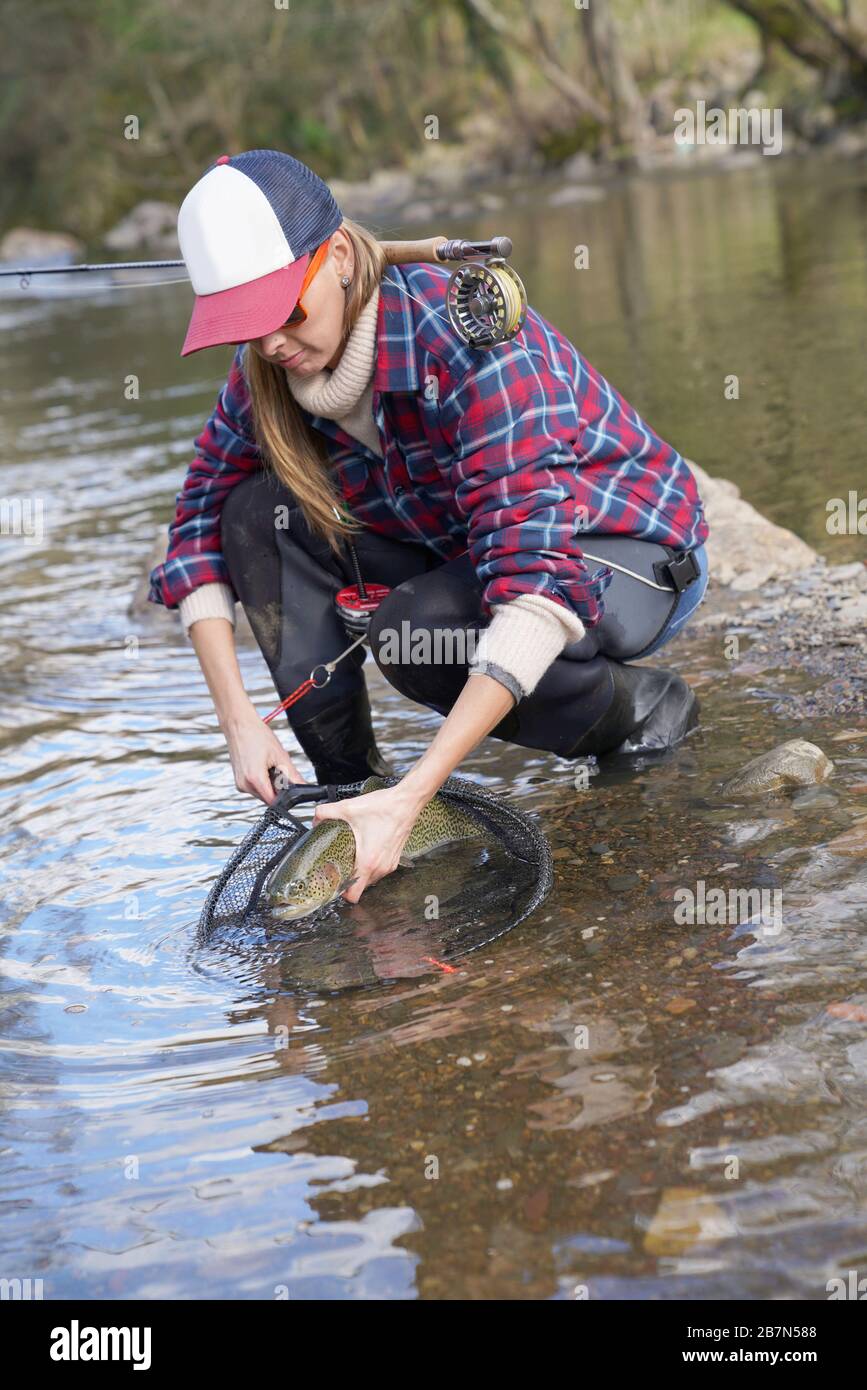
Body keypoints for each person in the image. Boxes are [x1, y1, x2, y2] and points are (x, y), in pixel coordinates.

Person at [149, 149, 709, 903]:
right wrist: (240, 720)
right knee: (252, 514)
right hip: (462, 545)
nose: (271, 344)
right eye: (245, 326)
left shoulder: (470, 345)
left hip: (626, 550)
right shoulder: (266, 377)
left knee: (416, 635)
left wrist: (419, 793)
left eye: (284, 313)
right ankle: (349, 791)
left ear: (339, 258)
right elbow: (194, 530)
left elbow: (533, 584)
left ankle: (636, 708)